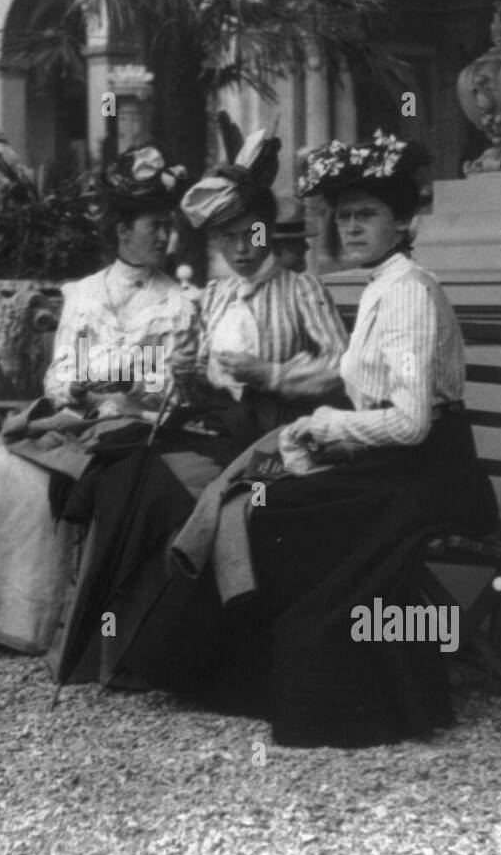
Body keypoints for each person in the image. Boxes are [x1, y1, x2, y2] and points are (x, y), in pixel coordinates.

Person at [166, 130, 499, 748]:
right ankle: (254, 678)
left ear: (403, 222)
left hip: (429, 477)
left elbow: (410, 422)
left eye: (368, 215)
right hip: (392, 465)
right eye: (344, 216)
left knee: (269, 511)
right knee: (258, 501)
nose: (351, 228)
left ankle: (312, 683)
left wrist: (323, 428)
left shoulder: (409, 294)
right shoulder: (382, 285)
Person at [46, 126, 350, 685]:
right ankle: (114, 649)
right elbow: (194, 381)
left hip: (281, 439)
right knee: (128, 479)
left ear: (266, 228)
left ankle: (186, 653)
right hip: (219, 430)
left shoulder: (300, 290)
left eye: (248, 233)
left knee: (166, 490)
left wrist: (272, 374)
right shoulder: (216, 296)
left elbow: (342, 373)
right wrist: (183, 375)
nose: (239, 248)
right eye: (226, 237)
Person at [0, 146, 196, 654]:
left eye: (167, 225)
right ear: (122, 231)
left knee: (72, 472)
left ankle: (54, 621)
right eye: (153, 225)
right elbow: (59, 378)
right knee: (10, 463)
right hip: (82, 420)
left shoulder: (182, 301)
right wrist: (80, 385)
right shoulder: (83, 294)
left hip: (140, 426)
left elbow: (174, 387)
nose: (164, 236)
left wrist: (128, 380)